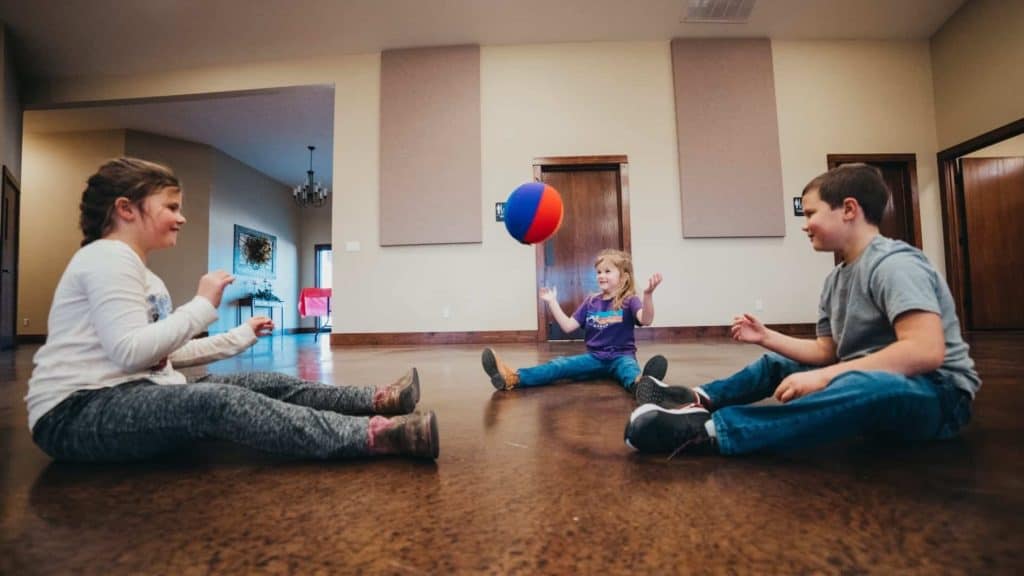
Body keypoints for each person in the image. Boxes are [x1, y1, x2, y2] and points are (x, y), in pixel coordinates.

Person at [26, 158, 438, 462]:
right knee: (216, 402)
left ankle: (380, 399)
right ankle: (377, 435)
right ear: (126, 208)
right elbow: (131, 353)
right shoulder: (107, 258)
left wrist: (238, 337)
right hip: (73, 415)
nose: (181, 217)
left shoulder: (141, 273)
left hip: (128, 392)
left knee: (261, 381)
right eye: (170, 206)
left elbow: (159, 355)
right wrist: (203, 304)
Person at [625, 163, 979, 456]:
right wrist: (766, 337)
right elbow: (827, 352)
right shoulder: (836, 279)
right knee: (778, 364)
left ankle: (706, 432)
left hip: (937, 396)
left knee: (860, 383)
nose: (804, 223)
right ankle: (697, 399)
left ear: (849, 210)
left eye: (811, 213)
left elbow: (925, 350)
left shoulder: (894, 265)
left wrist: (827, 377)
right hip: (870, 378)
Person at [482, 249, 666, 392]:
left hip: (622, 357)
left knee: (629, 372)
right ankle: (513, 378)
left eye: (607, 271)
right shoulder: (591, 301)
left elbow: (646, 319)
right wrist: (552, 302)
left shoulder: (630, 300)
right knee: (559, 365)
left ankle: (641, 386)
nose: (601, 275)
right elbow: (568, 326)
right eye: (599, 272)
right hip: (594, 358)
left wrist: (648, 295)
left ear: (624, 277)